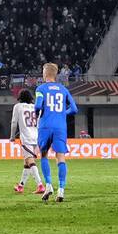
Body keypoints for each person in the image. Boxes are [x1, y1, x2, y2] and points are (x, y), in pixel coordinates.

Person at [35, 62, 79, 202]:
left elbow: (37, 105)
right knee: (60, 157)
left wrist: (38, 114)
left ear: (45, 73)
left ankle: (48, 185)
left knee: (43, 155)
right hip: (60, 127)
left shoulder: (41, 88)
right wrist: (61, 113)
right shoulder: (63, 89)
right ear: (55, 74)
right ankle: (61, 190)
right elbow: (74, 109)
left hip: (45, 125)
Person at [10, 89, 45, 194]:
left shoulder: (18, 107)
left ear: (20, 97)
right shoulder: (36, 107)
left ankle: (40, 185)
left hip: (27, 137)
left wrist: (12, 136)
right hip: (36, 136)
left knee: (30, 161)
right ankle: (21, 186)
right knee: (26, 162)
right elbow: (39, 122)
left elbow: (14, 122)